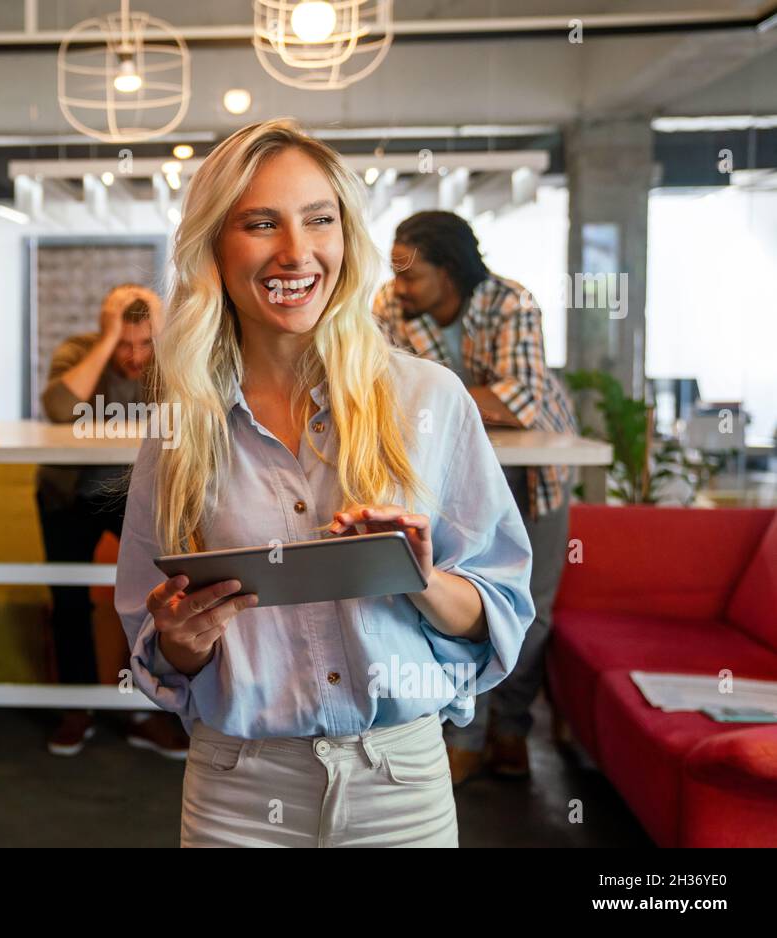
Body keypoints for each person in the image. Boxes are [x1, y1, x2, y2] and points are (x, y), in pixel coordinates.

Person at [114, 118, 535, 848]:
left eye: (319, 220)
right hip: (237, 788)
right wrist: (183, 641)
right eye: (260, 224)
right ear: (215, 245)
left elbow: (496, 603)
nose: (296, 252)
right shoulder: (182, 425)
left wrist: (420, 575)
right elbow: (155, 643)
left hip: (399, 786)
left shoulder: (429, 399)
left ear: (346, 237)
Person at [372, 211, 579, 785]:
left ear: (448, 271)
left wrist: (433, 396)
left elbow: (520, 403)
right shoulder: (391, 306)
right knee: (450, 593)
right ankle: (465, 731)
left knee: (527, 607)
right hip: (444, 473)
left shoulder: (510, 302)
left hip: (532, 472)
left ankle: (511, 730)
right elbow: (377, 385)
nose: (398, 286)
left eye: (411, 275)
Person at [37, 284, 190, 760]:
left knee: (154, 600)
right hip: (70, 493)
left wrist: (164, 340)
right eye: (125, 344)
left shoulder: (168, 356)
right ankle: (77, 707)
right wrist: (105, 342)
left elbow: (193, 402)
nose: (134, 355)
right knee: (68, 599)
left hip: (137, 494)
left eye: (144, 344)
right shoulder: (80, 350)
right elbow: (60, 409)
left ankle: (143, 711)